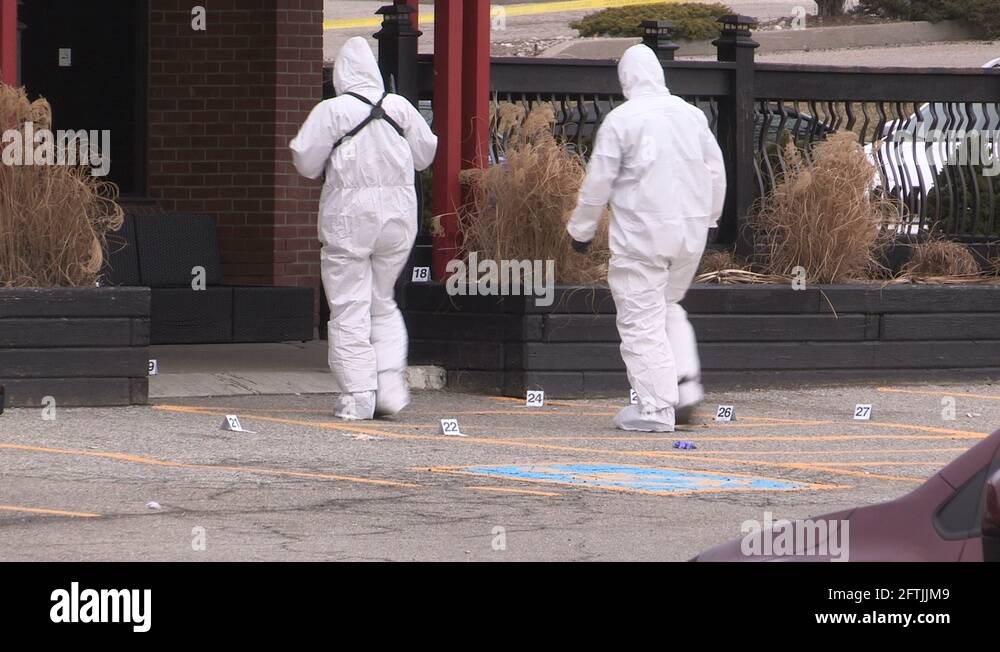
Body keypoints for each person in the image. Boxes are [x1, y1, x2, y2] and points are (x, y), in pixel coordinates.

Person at [566, 44, 727, 433]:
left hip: (643, 237)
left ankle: (655, 408)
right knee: (668, 304)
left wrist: (581, 231)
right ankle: (685, 387)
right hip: (690, 235)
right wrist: (711, 219)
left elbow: (597, 183)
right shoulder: (692, 115)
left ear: (626, 79)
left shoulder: (623, 120)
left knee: (641, 321)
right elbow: (716, 171)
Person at [290, 37, 437, 420]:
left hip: (349, 218)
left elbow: (305, 162)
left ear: (341, 75)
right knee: (382, 300)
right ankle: (390, 387)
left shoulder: (332, 111)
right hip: (399, 217)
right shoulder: (400, 107)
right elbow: (425, 155)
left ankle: (358, 397)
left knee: (349, 306)